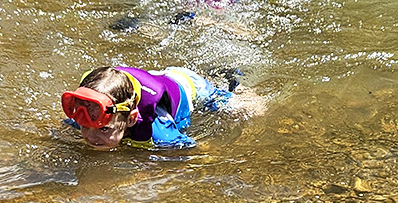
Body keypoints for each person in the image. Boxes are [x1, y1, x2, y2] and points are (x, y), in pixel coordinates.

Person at [61, 64, 260, 150]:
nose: (91, 137)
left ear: (131, 119)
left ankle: (234, 82)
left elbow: (190, 149)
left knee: (247, 108)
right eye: (85, 126)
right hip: (146, 82)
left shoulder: (161, 132)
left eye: (104, 129)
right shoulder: (92, 114)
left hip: (189, 85)